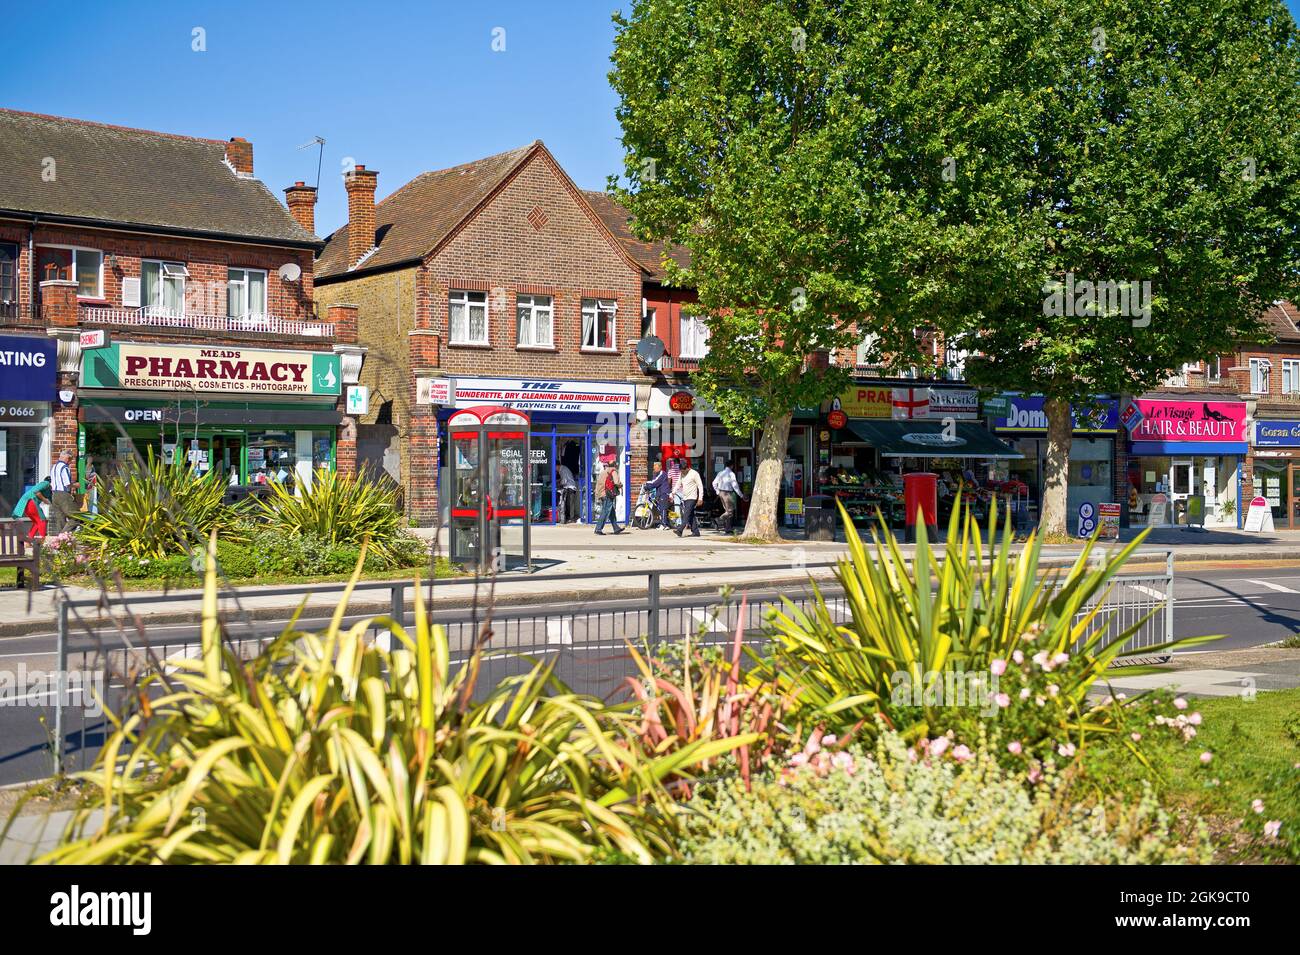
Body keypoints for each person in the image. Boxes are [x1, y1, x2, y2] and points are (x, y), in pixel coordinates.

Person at [593, 446, 624, 535]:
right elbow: (616, 482)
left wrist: (597, 494)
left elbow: (598, 484)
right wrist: (620, 485)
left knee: (611, 511)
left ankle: (616, 528)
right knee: (606, 511)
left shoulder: (603, 472)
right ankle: (598, 529)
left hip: (602, 494)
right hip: (608, 494)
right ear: (615, 464)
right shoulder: (613, 471)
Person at [712, 459, 744, 534]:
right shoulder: (731, 474)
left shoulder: (720, 473)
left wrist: (717, 492)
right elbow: (735, 486)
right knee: (730, 512)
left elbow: (714, 483)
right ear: (732, 466)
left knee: (727, 511)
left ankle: (728, 528)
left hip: (721, 492)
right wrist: (741, 495)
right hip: (727, 493)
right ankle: (718, 520)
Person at [48, 450, 76, 536]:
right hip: (63, 494)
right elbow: (67, 483)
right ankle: (62, 536)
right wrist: (77, 485)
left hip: (54, 495)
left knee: (60, 519)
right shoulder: (64, 467)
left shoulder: (54, 467)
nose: (70, 462)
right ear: (67, 457)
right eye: (70, 459)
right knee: (76, 517)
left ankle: (61, 542)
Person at [675, 458, 704, 537]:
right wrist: (673, 492)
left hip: (692, 497)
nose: (682, 472)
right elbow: (678, 483)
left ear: (687, 468)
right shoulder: (682, 474)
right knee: (691, 515)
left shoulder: (694, 474)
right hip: (685, 497)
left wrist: (700, 498)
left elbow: (700, 486)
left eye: (683, 471)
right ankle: (696, 532)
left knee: (686, 514)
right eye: (681, 471)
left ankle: (680, 529)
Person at [645, 459, 671, 528]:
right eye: (654, 467)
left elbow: (655, 483)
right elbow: (654, 483)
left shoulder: (662, 474)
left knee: (662, 508)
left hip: (664, 492)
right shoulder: (656, 474)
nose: (654, 469)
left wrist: (646, 483)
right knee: (660, 508)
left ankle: (664, 525)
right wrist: (648, 487)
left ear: (660, 467)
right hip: (659, 493)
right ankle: (664, 522)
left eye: (655, 467)